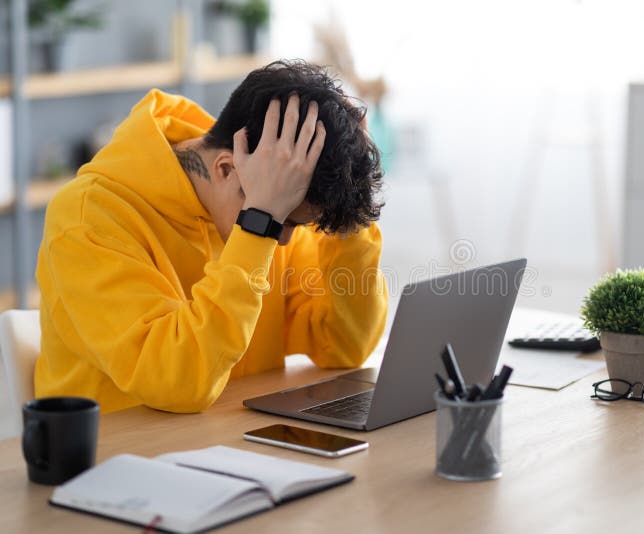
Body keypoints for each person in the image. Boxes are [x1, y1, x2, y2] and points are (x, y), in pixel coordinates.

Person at [35, 59, 388, 414]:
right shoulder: (86, 218)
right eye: (286, 225)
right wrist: (261, 221)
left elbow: (345, 345)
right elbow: (177, 382)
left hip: (238, 446)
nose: (283, 242)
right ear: (225, 169)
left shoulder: (276, 196)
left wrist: (350, 210)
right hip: (121, 458)